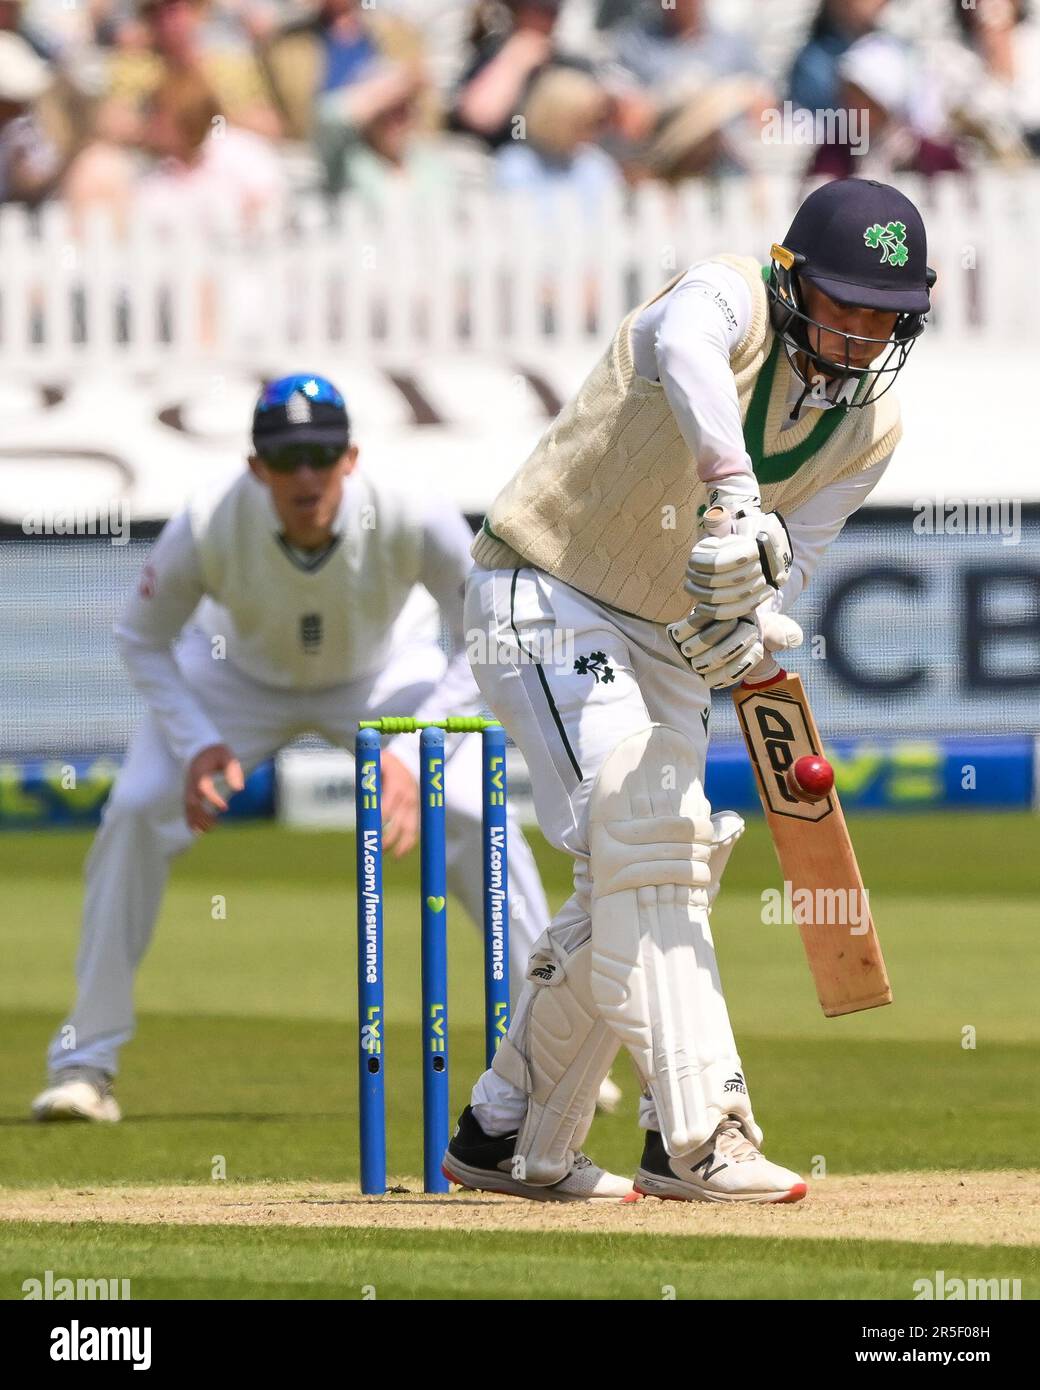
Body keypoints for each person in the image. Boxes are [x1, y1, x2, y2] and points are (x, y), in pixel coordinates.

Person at [444, 178, 936, 1203]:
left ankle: (505, 1134)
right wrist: (730, 491)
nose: (855, 338)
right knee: (652, 835)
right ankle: (697, 1134)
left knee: (651, 867)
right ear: (790, 277)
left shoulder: (868, 431)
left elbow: (788, 559)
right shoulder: (725, 295)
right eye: (841, 308)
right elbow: (677, 351)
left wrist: (750, 612)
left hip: (664, 643)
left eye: (880, 319)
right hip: (543, 587)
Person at [31, 373, 552, 1123]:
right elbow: (139, 638)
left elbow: (487, 629)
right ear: (257, 466)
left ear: (350, 457)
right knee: (136, 810)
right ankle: (85, 1066)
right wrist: (199, 742)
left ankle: (548, 1055)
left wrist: (414, 754)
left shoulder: (409, 506)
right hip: (235, 678)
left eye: (321, 453)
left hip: (383, 676)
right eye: (286, 458)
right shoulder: (211, 518)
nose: (305, 474)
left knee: (474, 812)